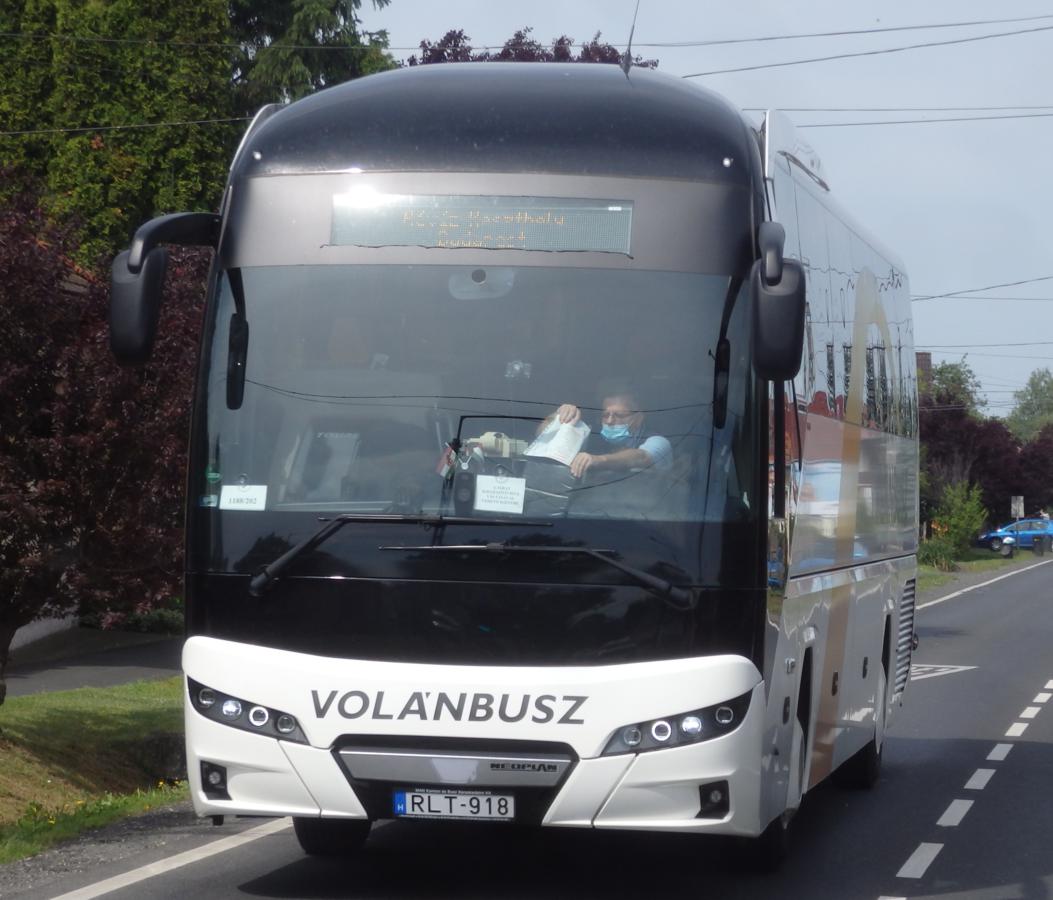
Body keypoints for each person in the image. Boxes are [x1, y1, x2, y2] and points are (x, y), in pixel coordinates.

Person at [550, 385, 672, 480]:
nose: (609, 421)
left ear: (638, 418)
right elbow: (544, 438)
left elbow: (641, 457)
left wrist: (597, 460)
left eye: (619, 415)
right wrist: (560, 416)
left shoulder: (659, 442)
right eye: (605, 415)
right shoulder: (591, 437)